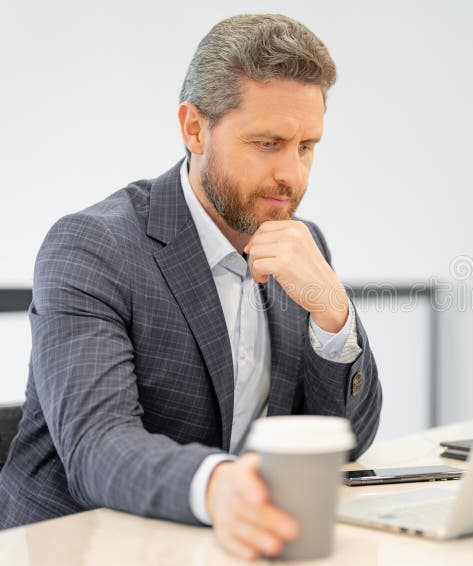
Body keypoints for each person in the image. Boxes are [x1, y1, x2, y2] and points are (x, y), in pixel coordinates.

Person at [0, 14, 382, 560]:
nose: (291, 176)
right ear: (194, 128)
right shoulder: (91, 247)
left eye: (306, 147)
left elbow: (348, 439)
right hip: (81, 545)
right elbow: (96, 447)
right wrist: (220, 485)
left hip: (223, 545)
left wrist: (333, 312)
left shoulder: (301, 245)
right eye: (268, 143)